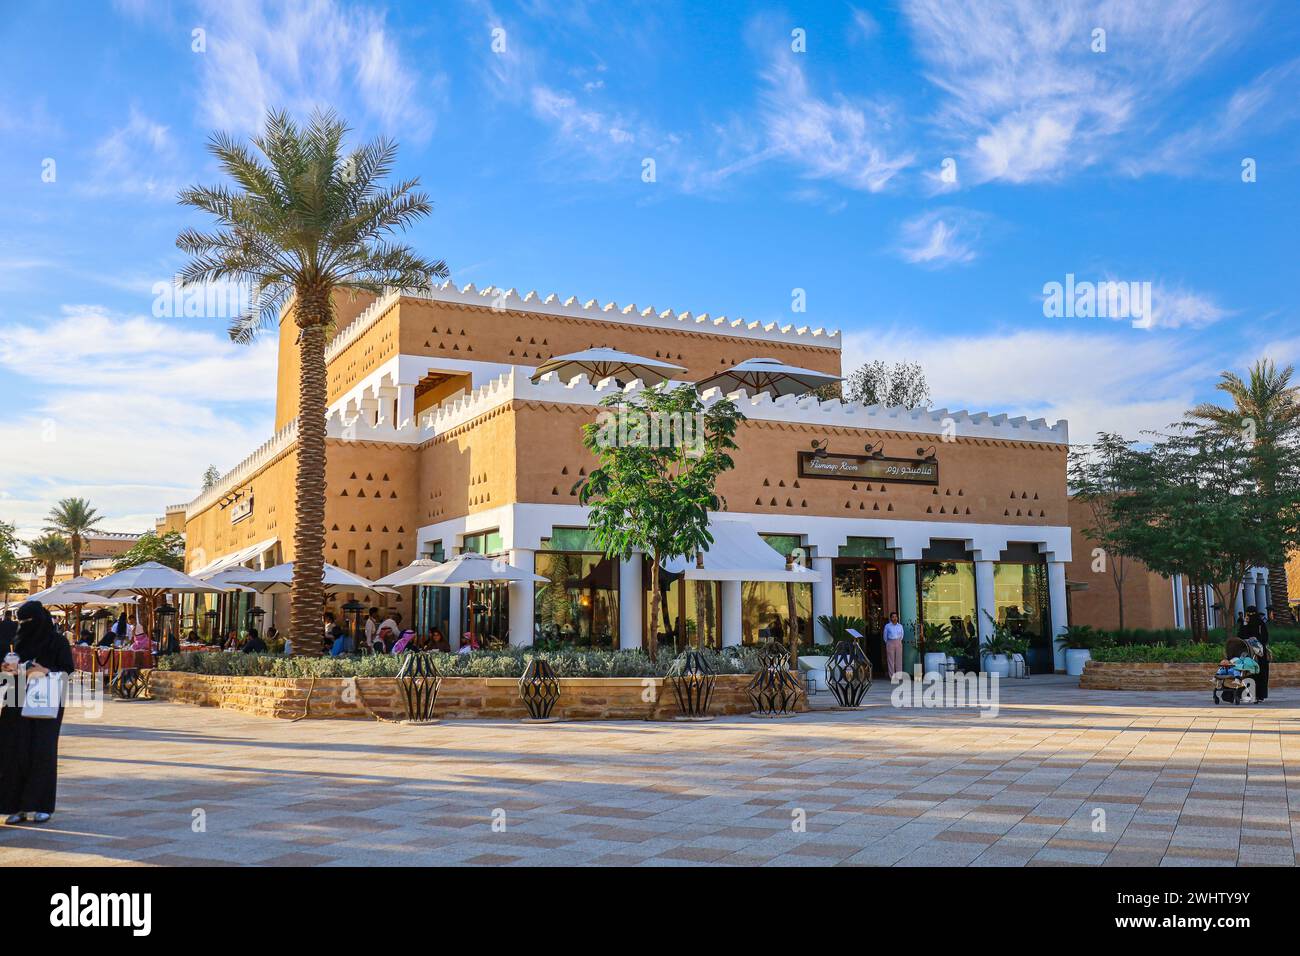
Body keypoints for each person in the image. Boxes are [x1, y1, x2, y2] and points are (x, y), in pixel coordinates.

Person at [0, 601, 75, 825]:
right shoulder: (17, 642)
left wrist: (44, 670)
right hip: (16, 702)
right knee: (14, 753)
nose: (24, 625)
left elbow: (67, 669)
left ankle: (41, 805)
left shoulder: (57, 641)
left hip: (46, 703)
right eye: (21, 621)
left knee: (41, 753)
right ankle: (16, 806)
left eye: (28, 621)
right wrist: (7, 669)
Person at [1240, 606, 1270, 702]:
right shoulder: (1246, 624)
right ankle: (1250, 694)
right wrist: (1244, 624)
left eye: (1250, 614)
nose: (1249, 616)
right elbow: (1241, 636)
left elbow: (1264, 637)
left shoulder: (1259, 624)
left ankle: (1259, 695)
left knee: (1257, 674)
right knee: (1250, 674)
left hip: (1258, 653)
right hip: (1251, 652)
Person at [882, 610, 904, 678]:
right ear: (890, 618)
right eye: (893, 617)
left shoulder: (900, 626)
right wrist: (888, 642)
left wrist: (898, 641)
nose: (894, 618)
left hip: (898, 642)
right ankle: (892, 676)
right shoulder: (887, 626)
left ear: (897, 618)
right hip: (890, 642)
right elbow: (885, 636)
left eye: (895, 617)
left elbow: (902, 635)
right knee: (891, 660)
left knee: (899, 660)